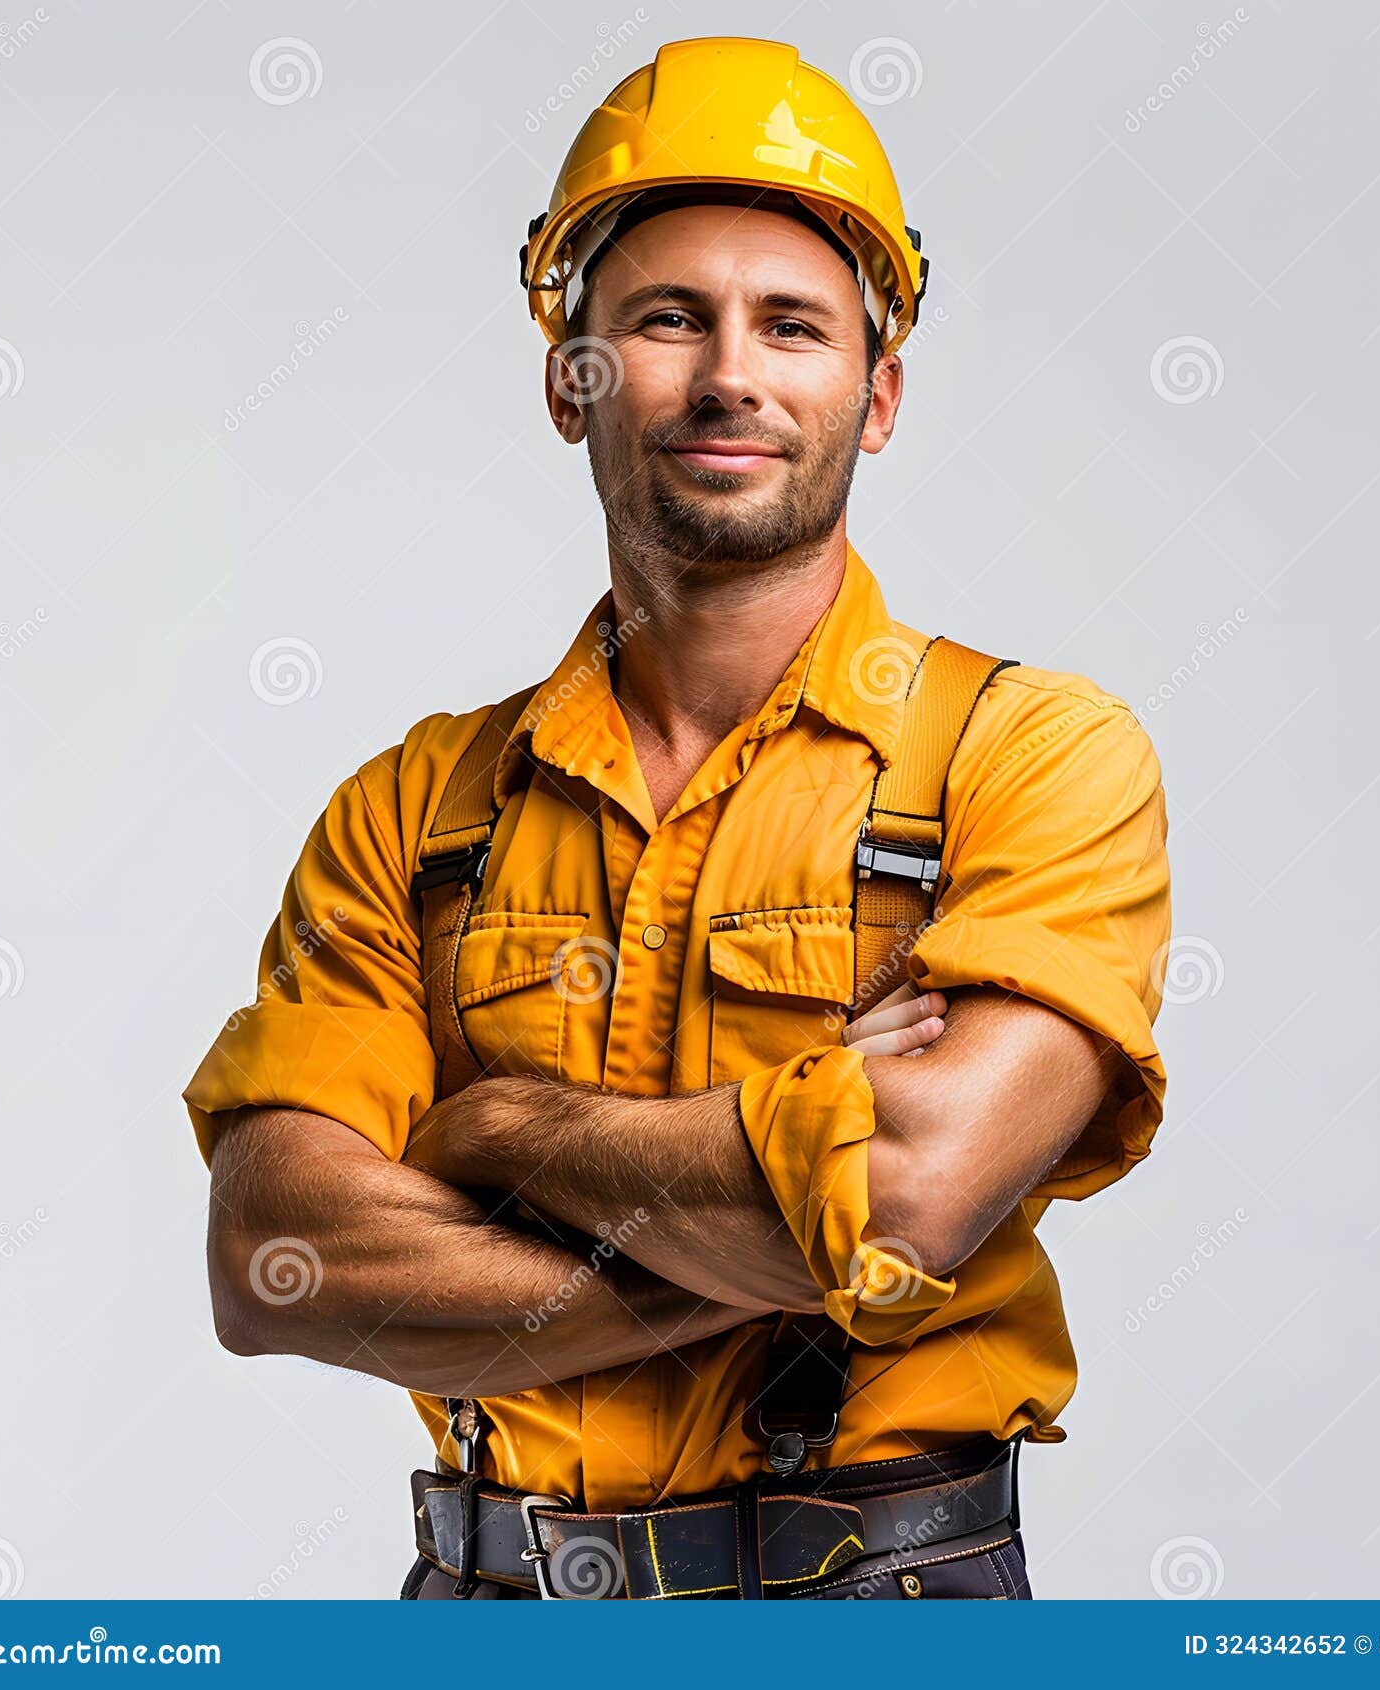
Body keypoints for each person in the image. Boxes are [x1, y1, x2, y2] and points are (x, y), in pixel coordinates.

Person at [183, 35, 1172, 1600]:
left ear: (879, 392)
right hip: (497, 1606)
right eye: (665, 319)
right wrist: (796, 1220)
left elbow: (913, 1192)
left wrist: (499, 1131)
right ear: (571, 382)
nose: (731, 373)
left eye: (792, 325)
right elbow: (277, 1260)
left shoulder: (1032, 756)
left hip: (881, 1605)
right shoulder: (412, 814)